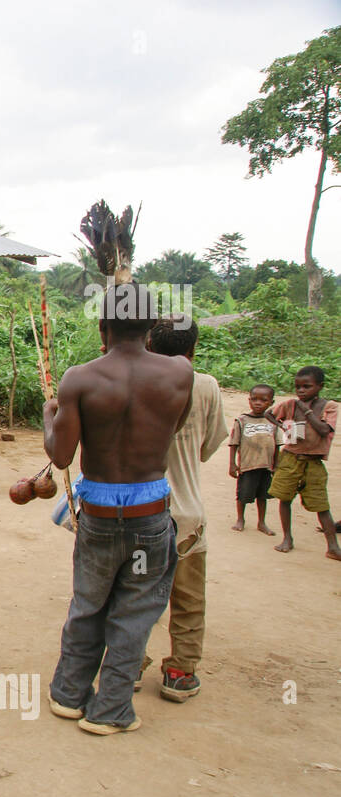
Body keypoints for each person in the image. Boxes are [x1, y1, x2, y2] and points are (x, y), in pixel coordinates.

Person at [42, 283, 193, 735]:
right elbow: (173, 428)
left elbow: (63, 456)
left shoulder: (81, 378)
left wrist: (52, 416)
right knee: (136, 610)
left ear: (103, 327)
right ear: (150, 327)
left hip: (99, 515)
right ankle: (110, 710)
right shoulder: (179, 374)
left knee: (88, 602)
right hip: (149, 514)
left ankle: (68, 695)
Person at [141, 317, 225, 702]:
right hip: (188, 516)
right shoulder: (206, 386)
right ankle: (180, 671)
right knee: (189, 599)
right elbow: (207, 449)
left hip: (141, 512)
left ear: (150, 346)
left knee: (135, 592)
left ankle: (129, 664)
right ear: (192, 351)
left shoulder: (134, 380)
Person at [268, 366, 340, 560]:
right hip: (290, 458)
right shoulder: (290, 404)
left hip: (314, 462)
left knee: (321, 504)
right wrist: (282, 425)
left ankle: (333, 546)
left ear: (320, 386)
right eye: (298, 387)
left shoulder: (329, 407)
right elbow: (270, 414)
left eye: (306, 386)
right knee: (284, 499)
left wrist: (306, 411)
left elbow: (324, 430)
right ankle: (287, 538)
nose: (301, 391)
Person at [229, 384, 280, 536]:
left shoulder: (273, 421)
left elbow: (277, 445)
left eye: (263, 400)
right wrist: (232, 464)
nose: (258, 403)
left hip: (266, 466)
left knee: (263, 496)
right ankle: (240, 519)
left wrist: (276, 465)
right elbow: (234, 443)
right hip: (247, 465)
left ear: (271, 402)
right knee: (243, 495)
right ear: (249, 400)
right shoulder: (242, 420)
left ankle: (261, 522)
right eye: (254, 399)